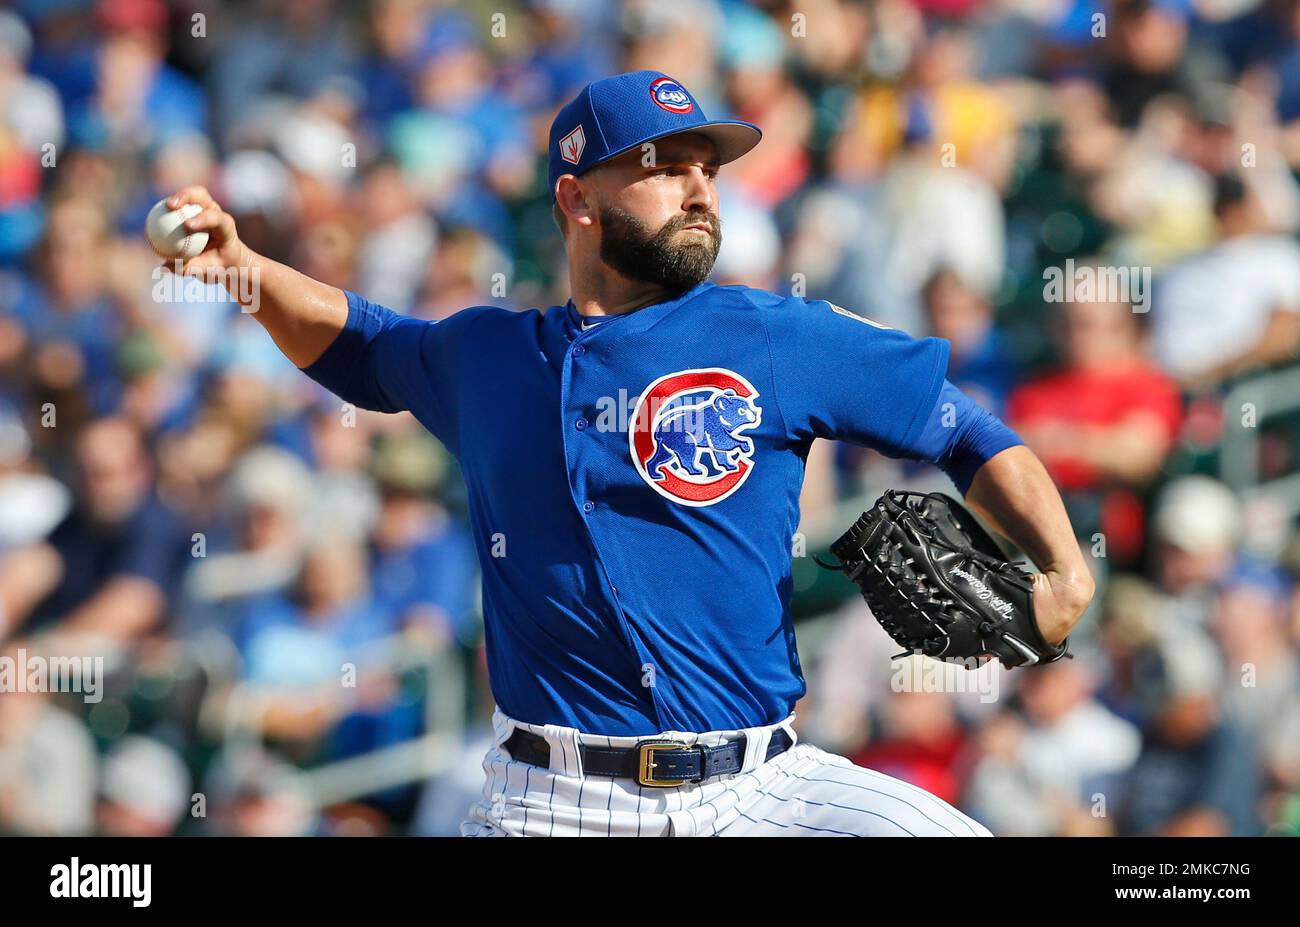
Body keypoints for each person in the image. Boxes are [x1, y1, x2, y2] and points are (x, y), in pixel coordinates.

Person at [160, 71, 1093, 837]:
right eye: (663, 165)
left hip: (763, 785)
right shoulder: (485, 356)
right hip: (551, 803)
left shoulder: (776, 336)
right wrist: (243, 267)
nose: (698, 188)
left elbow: (966, 428)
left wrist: (1061, 568)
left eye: (708, 169)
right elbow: (360, 340)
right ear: (577, 198)